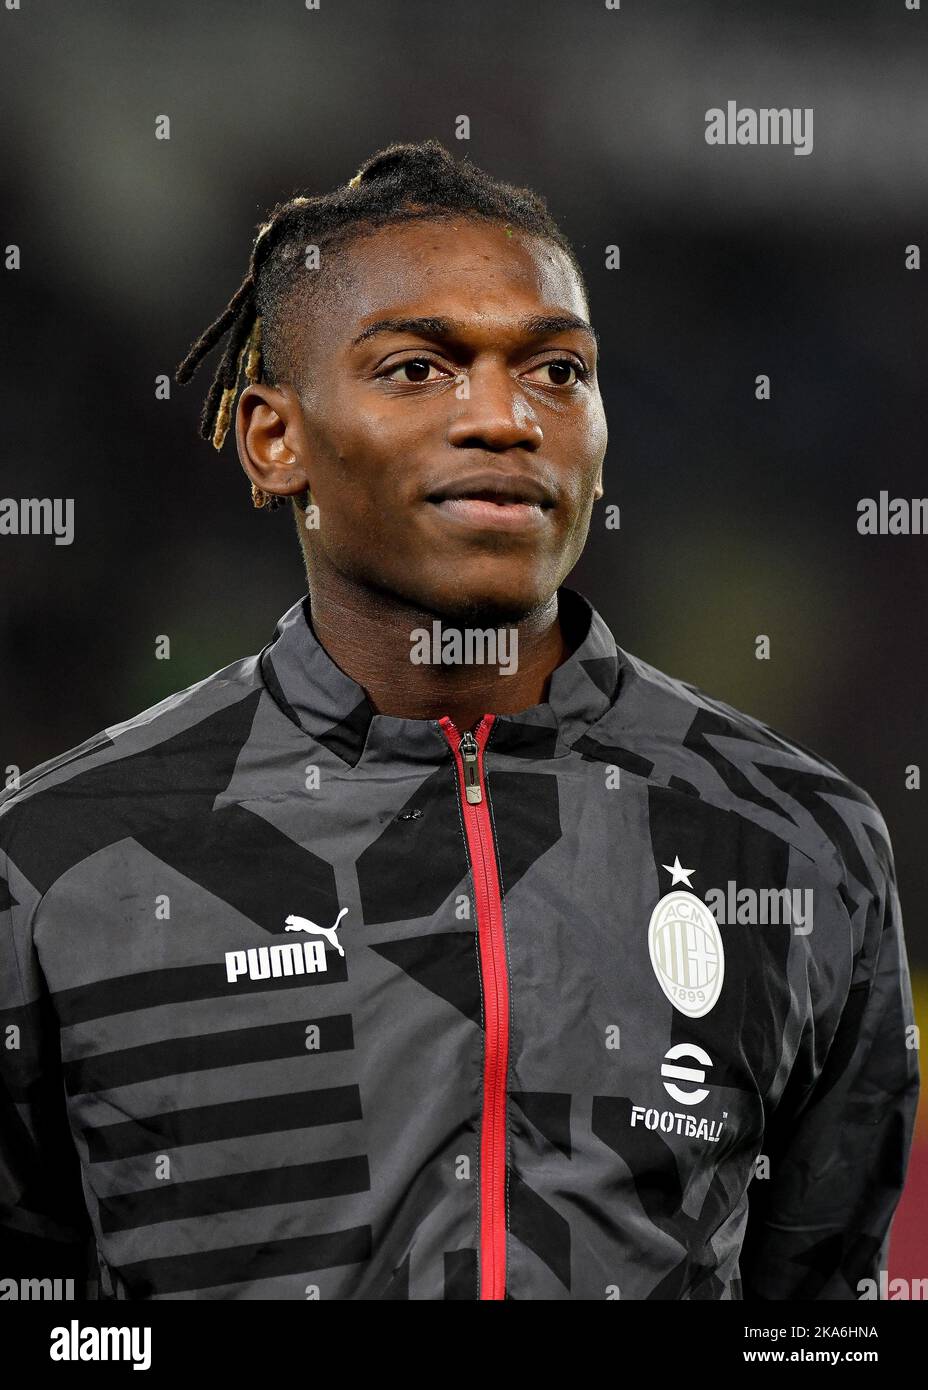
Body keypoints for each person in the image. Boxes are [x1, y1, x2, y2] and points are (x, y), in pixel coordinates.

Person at [0, 140, 918, 1301]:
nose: (504, 417)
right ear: (273, 439)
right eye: (418, 369)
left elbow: (822, 1304)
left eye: (557, 372)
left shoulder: (799, 838)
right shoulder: (55, 863)